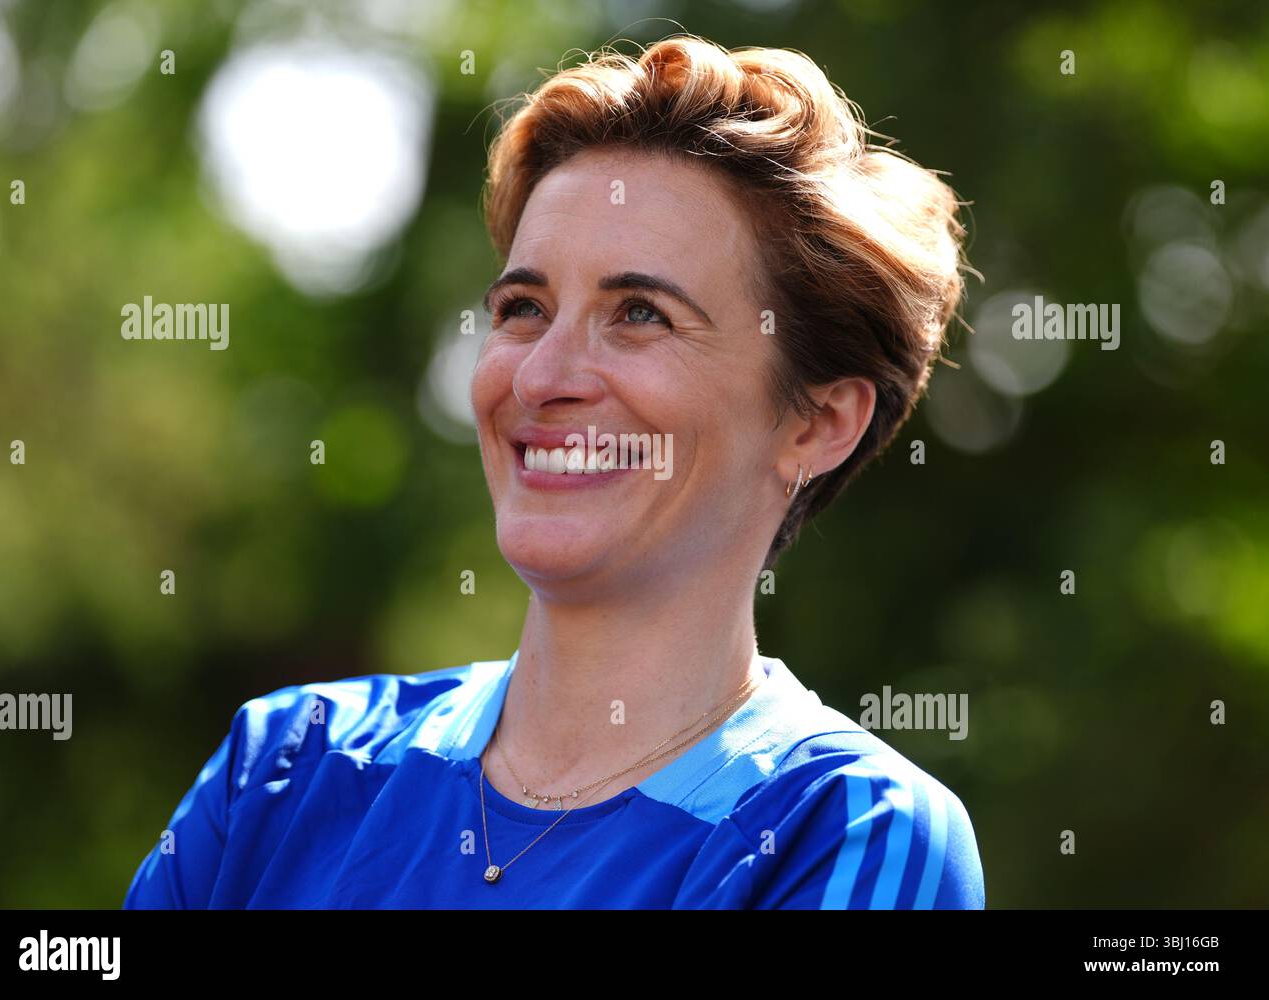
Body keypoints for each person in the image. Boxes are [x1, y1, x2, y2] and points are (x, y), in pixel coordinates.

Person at [123, 34, 984, 909]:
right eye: (524, 308)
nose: (540, 377)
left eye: (640, 313)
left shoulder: (842, 831)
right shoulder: (283, 770)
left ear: (818, 421)